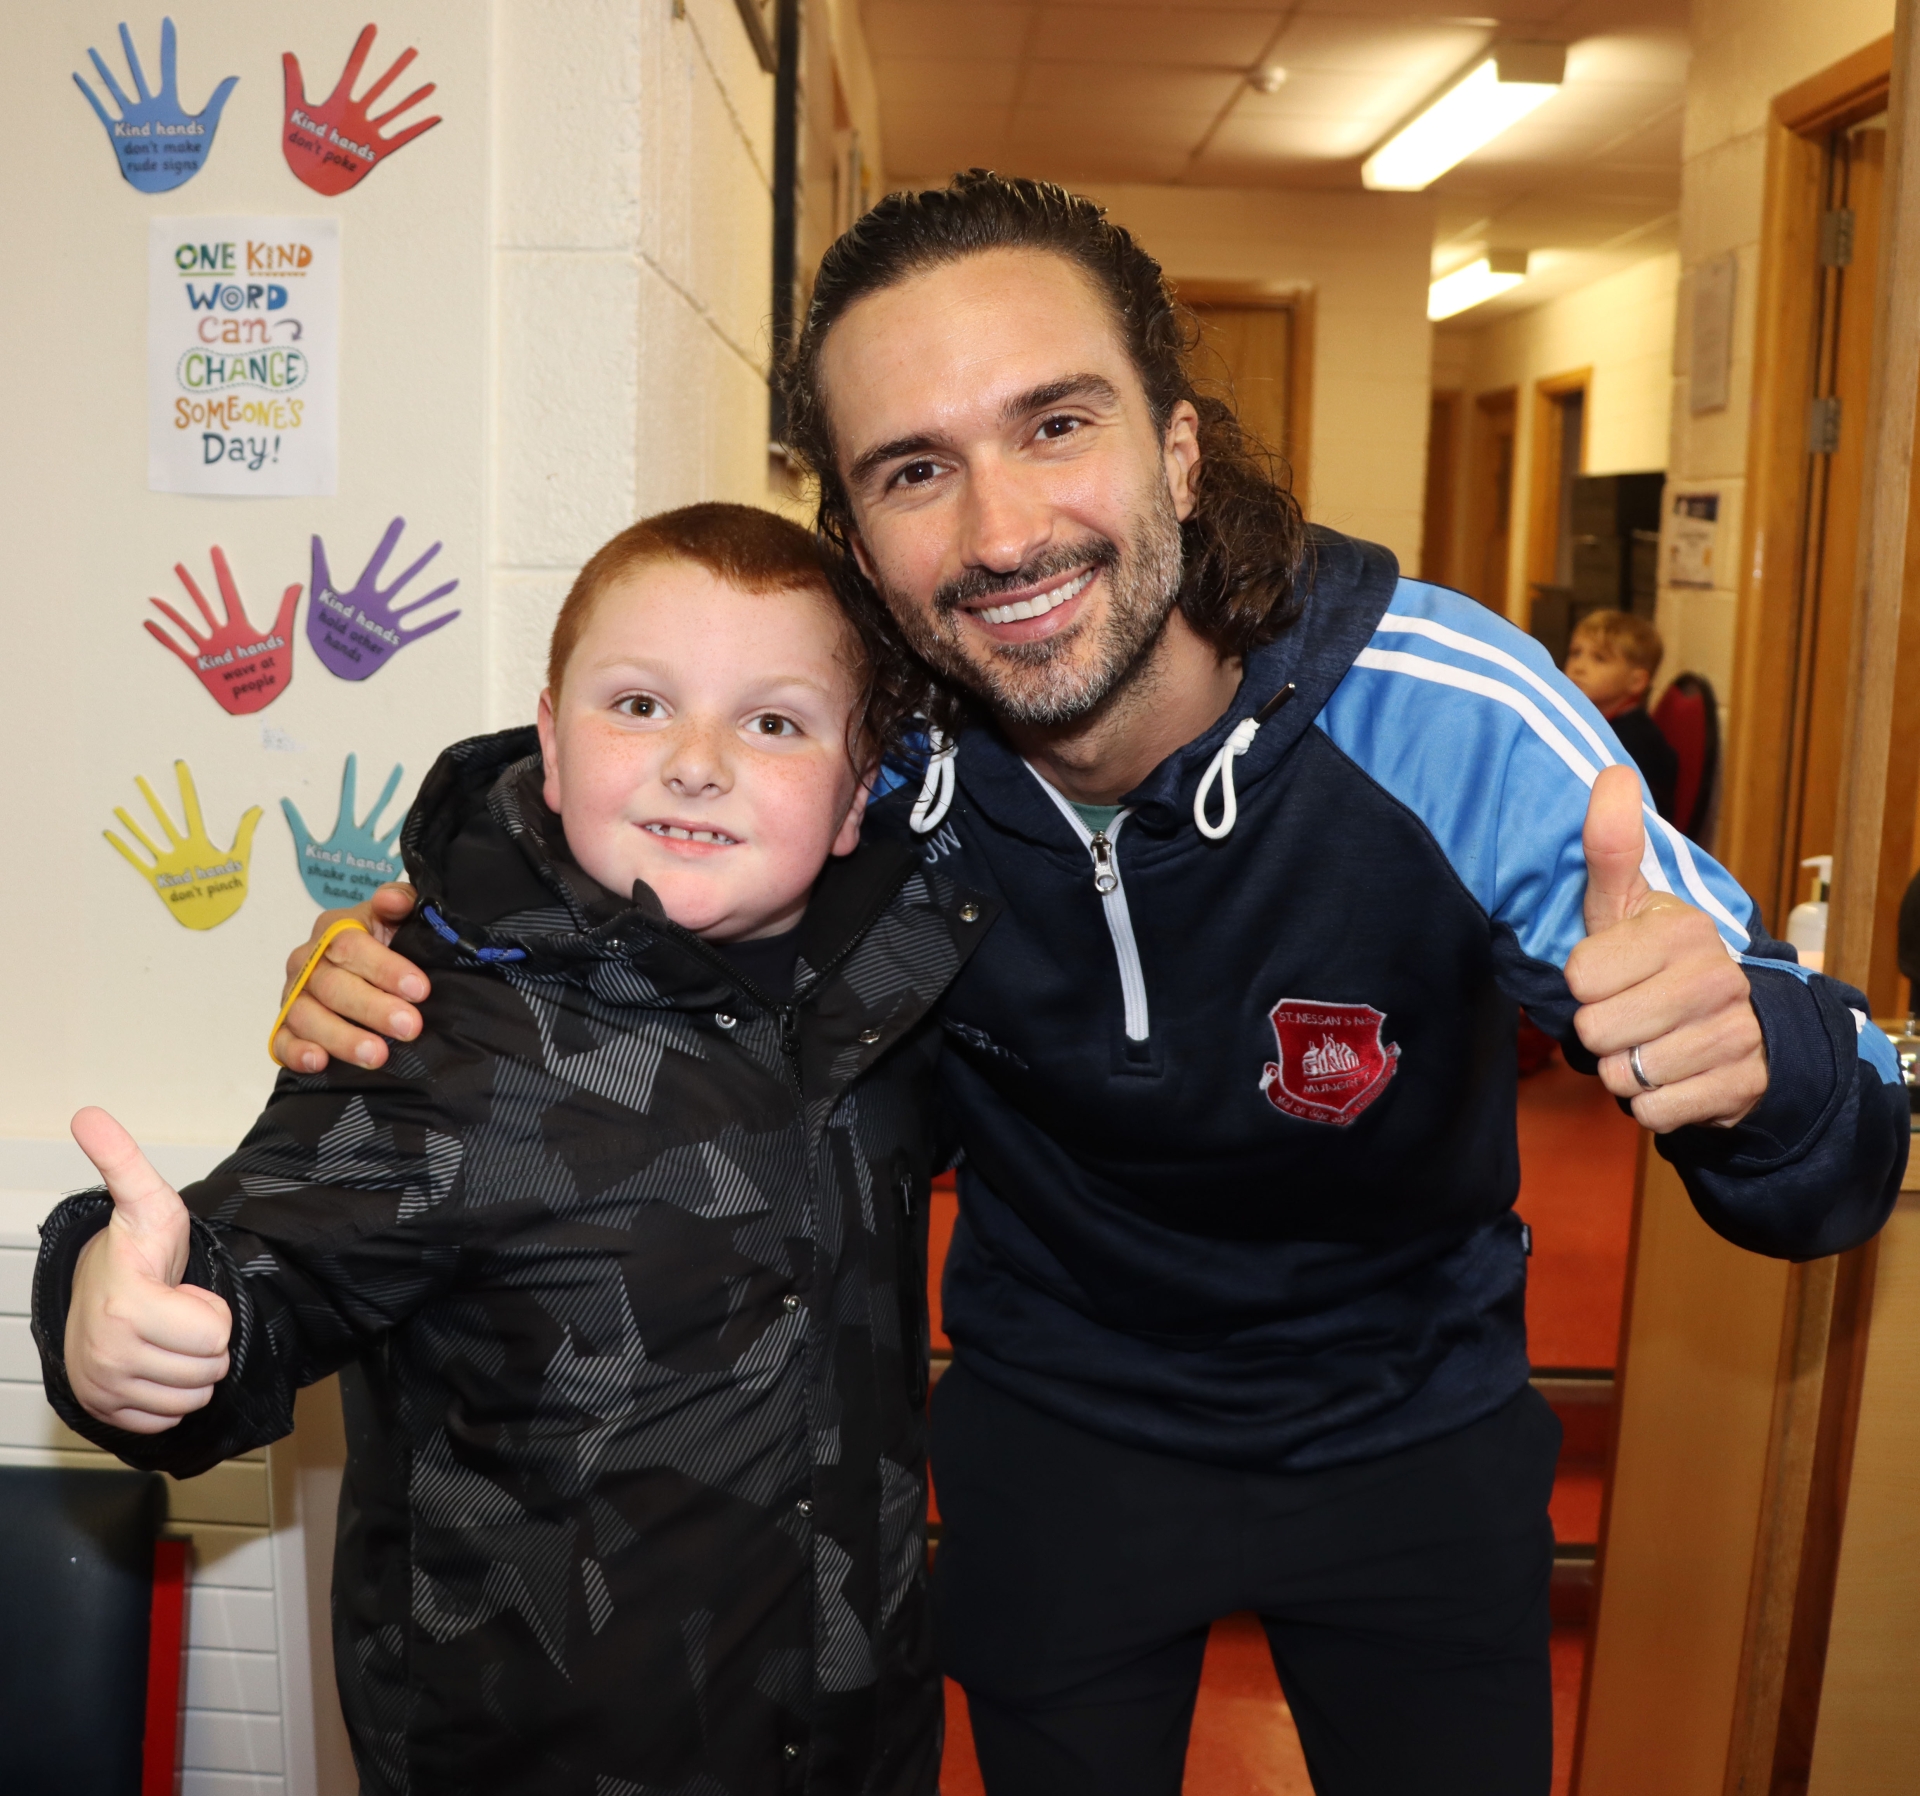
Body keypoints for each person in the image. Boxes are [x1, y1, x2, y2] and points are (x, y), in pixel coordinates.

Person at [270, 175, 1910, 1796]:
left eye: (1057, 424)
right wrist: (430, 963)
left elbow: (1842, 1144)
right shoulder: (877, 778)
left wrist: (1759, 1061)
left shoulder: (1445, 710)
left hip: (1413, 1436)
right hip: (1060, 1439)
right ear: (858, 540)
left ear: (1180, 450)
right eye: (918, 468)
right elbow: (634, 901)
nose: (1002, 532)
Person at [33, 504, 990, 1796]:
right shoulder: (438, 1028)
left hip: (858, 1753)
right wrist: (116, 1310)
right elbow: (252, 1283)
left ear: (851, 790)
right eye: (639, 705)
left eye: (773, 723)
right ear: (547, 741)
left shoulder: (892, 997)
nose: (697, 762)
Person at [1564, 607, 1680, 821]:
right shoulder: (1590, 722)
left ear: (1636, 681)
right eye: (1575, 653)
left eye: (1599, 658)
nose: (1579, 667)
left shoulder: (1637, 742)